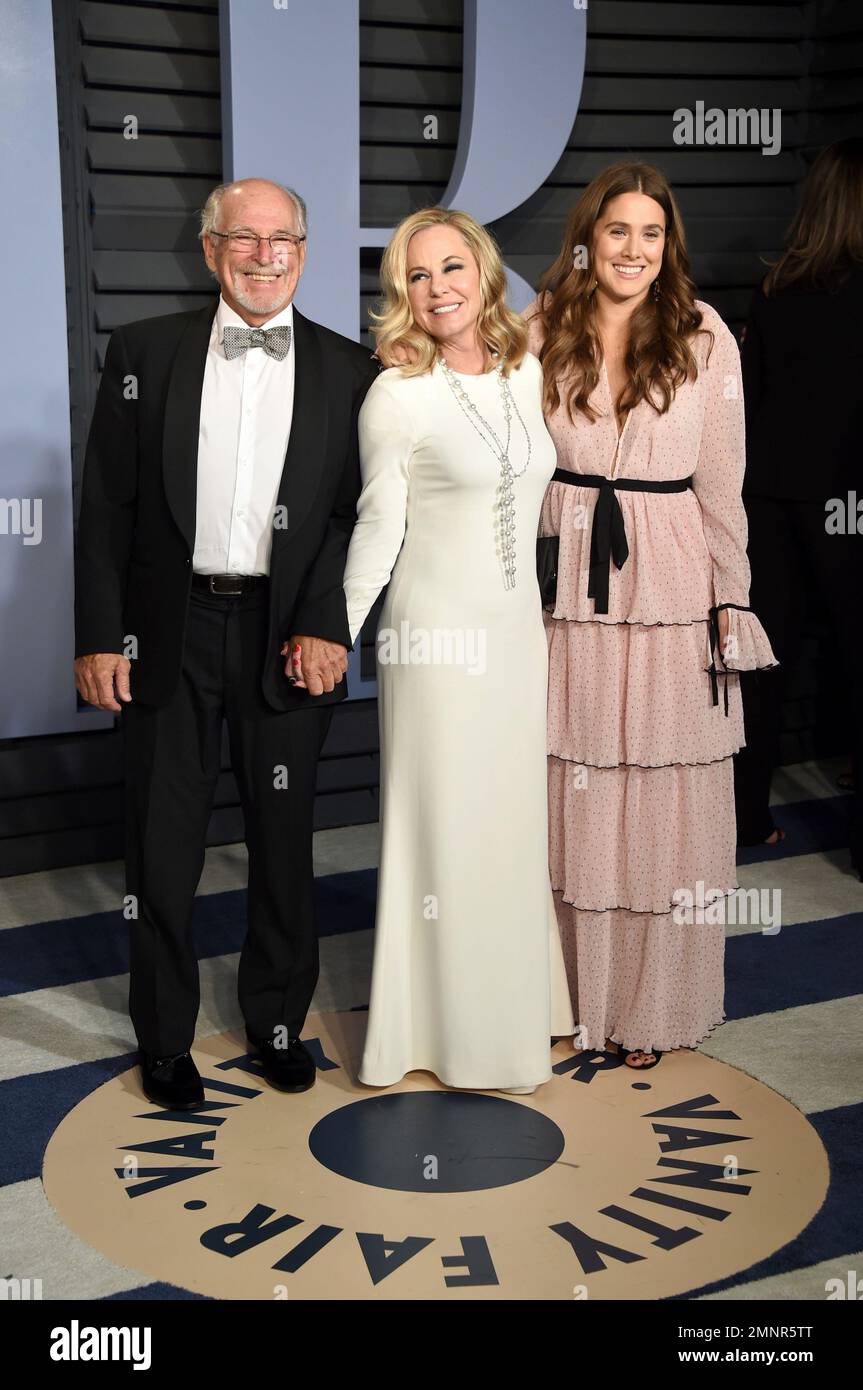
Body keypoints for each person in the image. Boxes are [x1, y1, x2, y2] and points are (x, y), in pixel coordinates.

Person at [74, 178, 379, 1108]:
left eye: (280, 238)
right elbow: (105, 511)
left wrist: (328, 621)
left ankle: (278, 1022)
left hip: (287, 636)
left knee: (283, 840)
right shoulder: (143, 353)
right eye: (241, 239)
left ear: (302, 251)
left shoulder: (348, 369)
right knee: (163, 846)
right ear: (210, 252)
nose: (261, 255)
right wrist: (99, 637)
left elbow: (348, 518)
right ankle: (163, 1039)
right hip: (168, 630)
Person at [525, 161, 777, 1069]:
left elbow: (723, 487)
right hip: (565, 595)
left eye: (651, 233)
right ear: (587, 239)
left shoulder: (707, 338)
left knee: (666, 802)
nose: (634, 249)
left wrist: (730, 601)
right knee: (572, 791)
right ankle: (565, 1002)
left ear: (668, 245)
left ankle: (651, 1008)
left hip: (670, 588)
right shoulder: (535, 329)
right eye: (618, 230)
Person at [343, 207, 574, 1091]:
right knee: (445, 829)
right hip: (433, 641)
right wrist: (340, 631)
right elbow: (377, 525)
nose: (436, 288)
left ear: (483, 272)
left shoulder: (525, 369)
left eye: (451, 268)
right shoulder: (395, 395)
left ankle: (521, 1011)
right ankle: (444, 1035)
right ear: (400, 293)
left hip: (517, 634)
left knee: (507, 827)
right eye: (415, 275)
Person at [733, 138, 863, 874]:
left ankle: (746, 820)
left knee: (760, 667)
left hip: (770, 502)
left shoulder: (775, 290)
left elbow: (752, 403)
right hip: (846, 503)